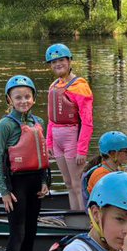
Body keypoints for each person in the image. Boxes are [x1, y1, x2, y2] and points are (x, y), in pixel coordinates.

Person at [0, 75, 52, 251]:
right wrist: (4, 191)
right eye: (18, 97)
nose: (23, 101)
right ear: (9, 100)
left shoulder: (39, 122)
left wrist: (44, 182)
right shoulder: (5, 125)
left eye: (27, 96)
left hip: (35, 183)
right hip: (16, 185)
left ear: (33, 98)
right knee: (18, 231)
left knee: (31, 229)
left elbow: (41, 154)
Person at [45, 43, 94, 211]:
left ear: (69, 61)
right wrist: (49, 143)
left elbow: (87, 122)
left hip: (71, 137)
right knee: (68, 183)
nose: (58, 64)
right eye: (53, 62)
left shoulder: (80, 86)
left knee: (77, 183)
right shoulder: (53, 86)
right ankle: (74, 215)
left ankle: (84, 218)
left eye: (61, 60)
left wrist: (82, 150)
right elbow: (51, 119)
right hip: (57, 139)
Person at [81, 131, 127, 202]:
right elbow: (106, 200)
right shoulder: (101, 174)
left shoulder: (118, 169)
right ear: (112, 153)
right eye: (125, 151)